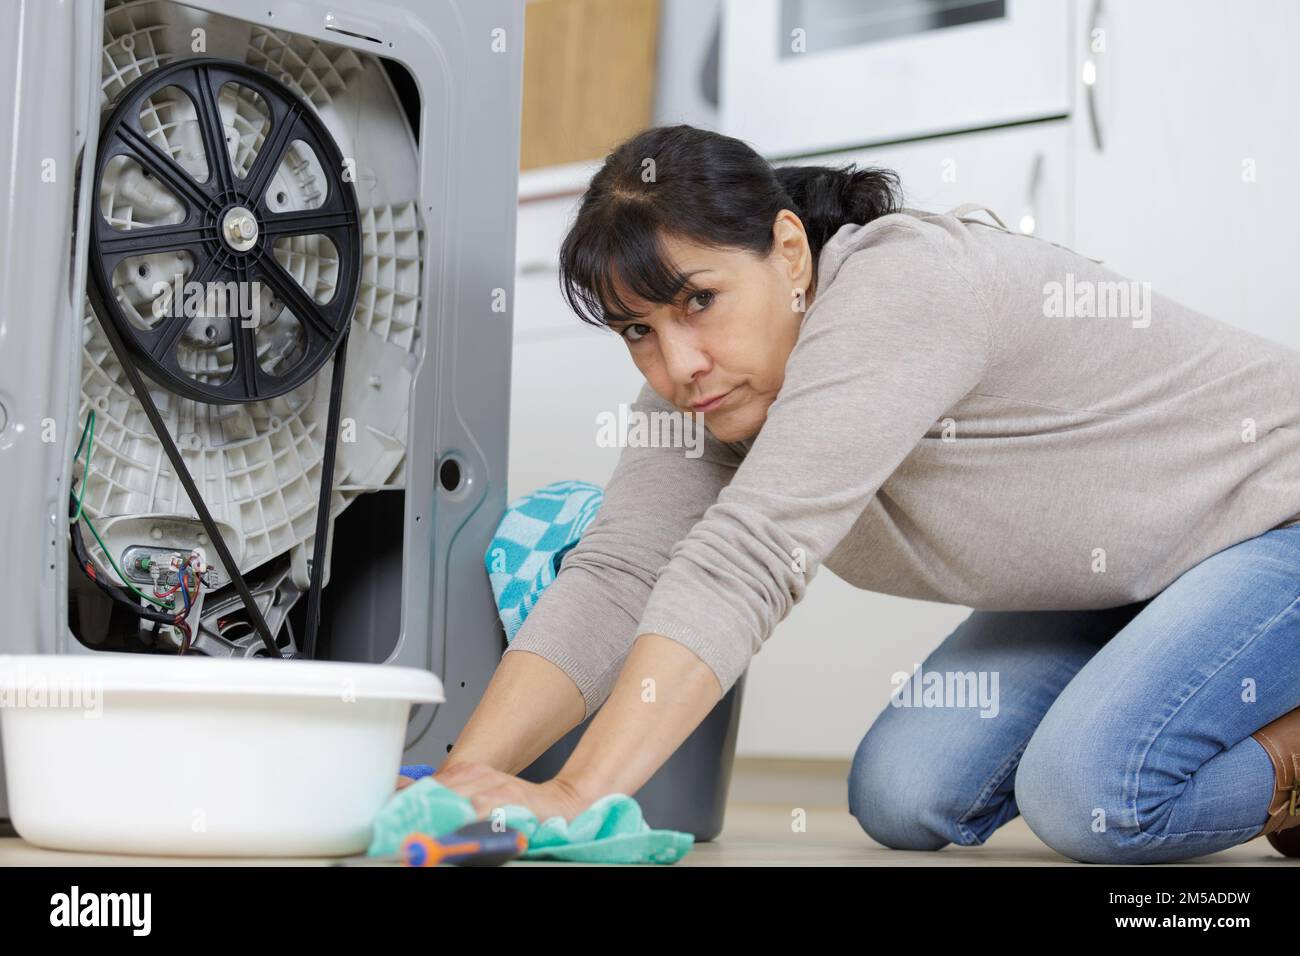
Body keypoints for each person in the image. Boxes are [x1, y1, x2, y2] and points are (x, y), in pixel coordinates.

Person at [416, 124, 1300, 864]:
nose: (677, 364)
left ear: (790, 250)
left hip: (1272, 520)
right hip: (1127, 573)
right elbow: (618, 573)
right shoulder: (711, 385)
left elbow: (749, 554)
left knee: (1095, 794)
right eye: (638, 331)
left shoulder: (900, 286)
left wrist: (575, 794)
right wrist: (461, 780)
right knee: (902, 795)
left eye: (699, 301)